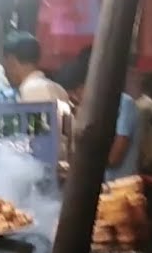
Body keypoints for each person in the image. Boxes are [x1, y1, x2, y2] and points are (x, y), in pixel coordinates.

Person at [57, 47, 141, 181]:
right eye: (71, 95)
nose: (76, 98)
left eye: (77, 91)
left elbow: (114, 158)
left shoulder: (124, 103)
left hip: (121, 187)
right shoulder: (88, 110)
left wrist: (81, 162)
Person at [0, 31, 69, 105]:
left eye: (5, 67)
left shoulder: (29, 91)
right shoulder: (60, 90)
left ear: (11, 61)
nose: (5, 74)